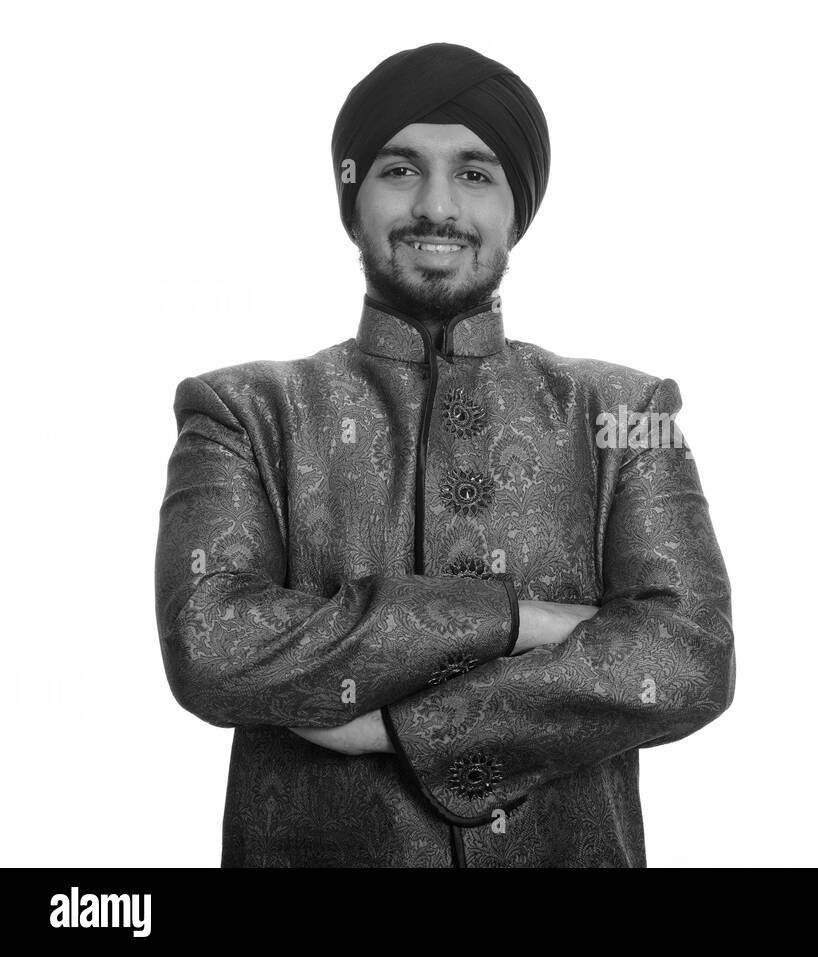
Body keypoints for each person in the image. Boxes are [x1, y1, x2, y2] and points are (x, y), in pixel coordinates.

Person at [153, 41, 736, 867]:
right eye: (398, 170)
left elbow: (690, 655)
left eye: (474, 173)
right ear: (353, 200)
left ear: (515, 205)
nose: (436, 206)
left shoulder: (624, 412)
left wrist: (398, 727)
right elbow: (210, 645)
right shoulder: (242, 413)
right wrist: (516, 621)